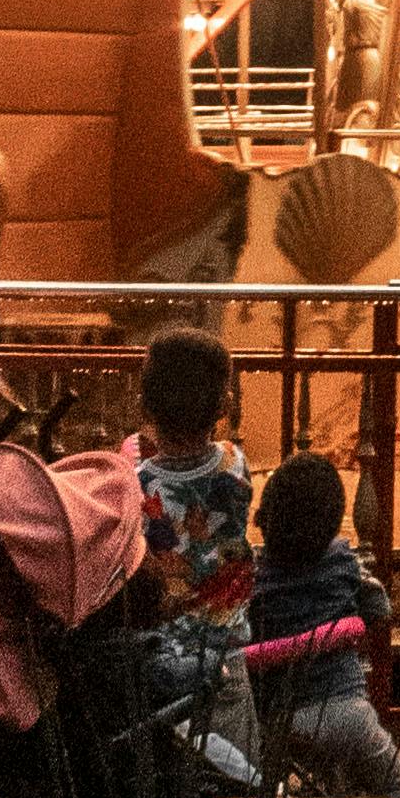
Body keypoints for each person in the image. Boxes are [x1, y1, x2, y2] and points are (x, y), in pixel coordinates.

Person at [244, 448, 400, 798]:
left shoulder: (255, 580)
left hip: (281, 721)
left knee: (268, 793)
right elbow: (379, 608)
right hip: (346, 713)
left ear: (265, 517)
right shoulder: (342, 563)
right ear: (334, 520)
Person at [130, 327, 258, 772]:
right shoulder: (234, 466)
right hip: (226, 649)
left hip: (165, 655)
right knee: (239, 777)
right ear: (222, 407)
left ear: (144, 406)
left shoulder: (137, 483)